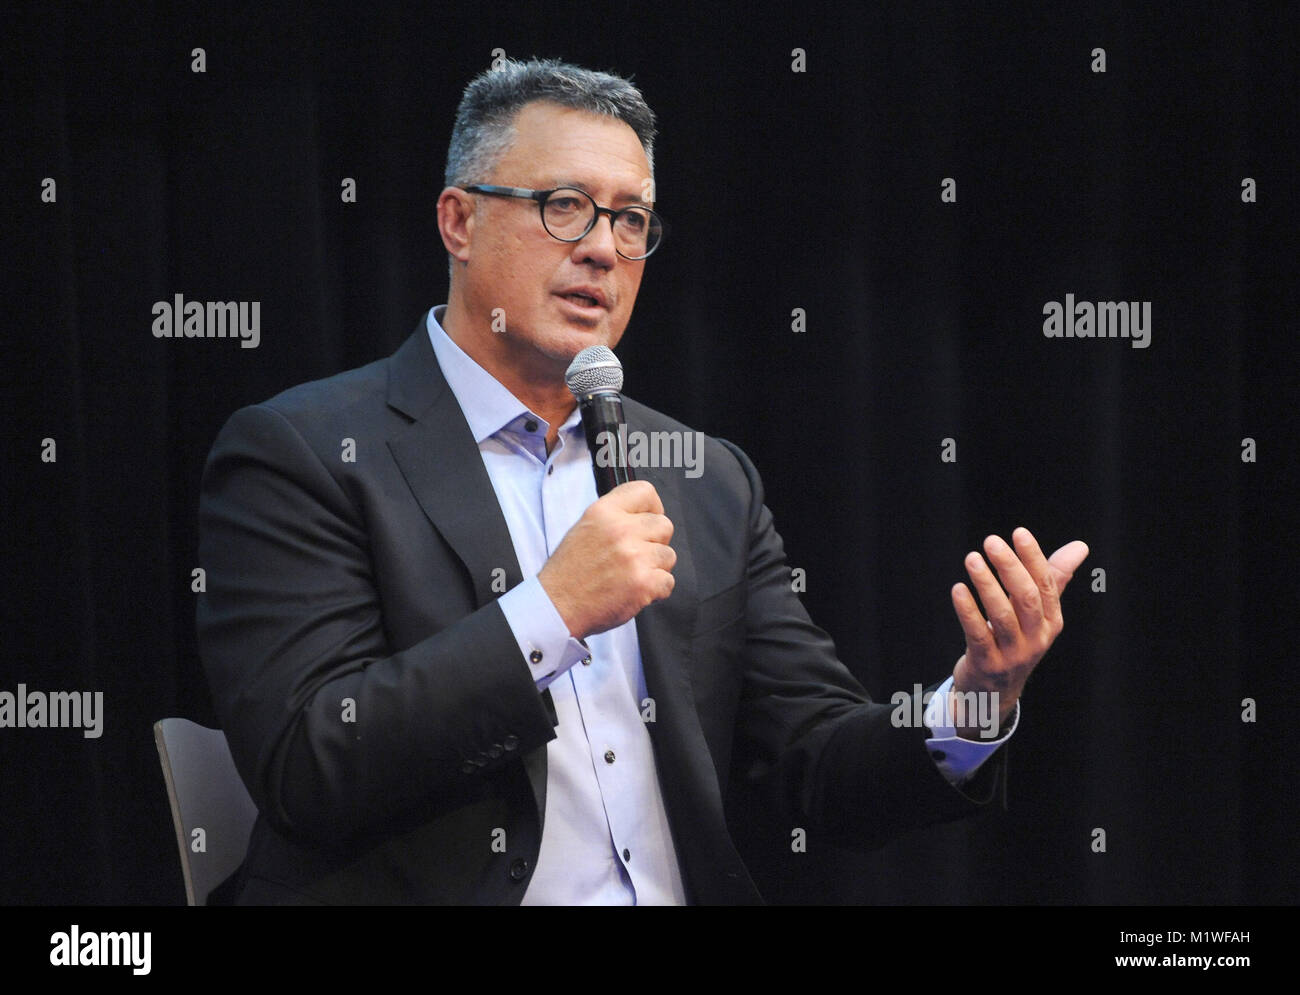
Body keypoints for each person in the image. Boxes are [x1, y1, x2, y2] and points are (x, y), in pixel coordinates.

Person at [196, 58, 1089, 905]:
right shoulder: (307, 450)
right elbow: (307, 763)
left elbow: (817, 763)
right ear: (458, 221)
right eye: (564, 206)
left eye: (631, 220)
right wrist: (551, 612)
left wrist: (975, 696)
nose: (602, 250)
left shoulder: (704, 478)